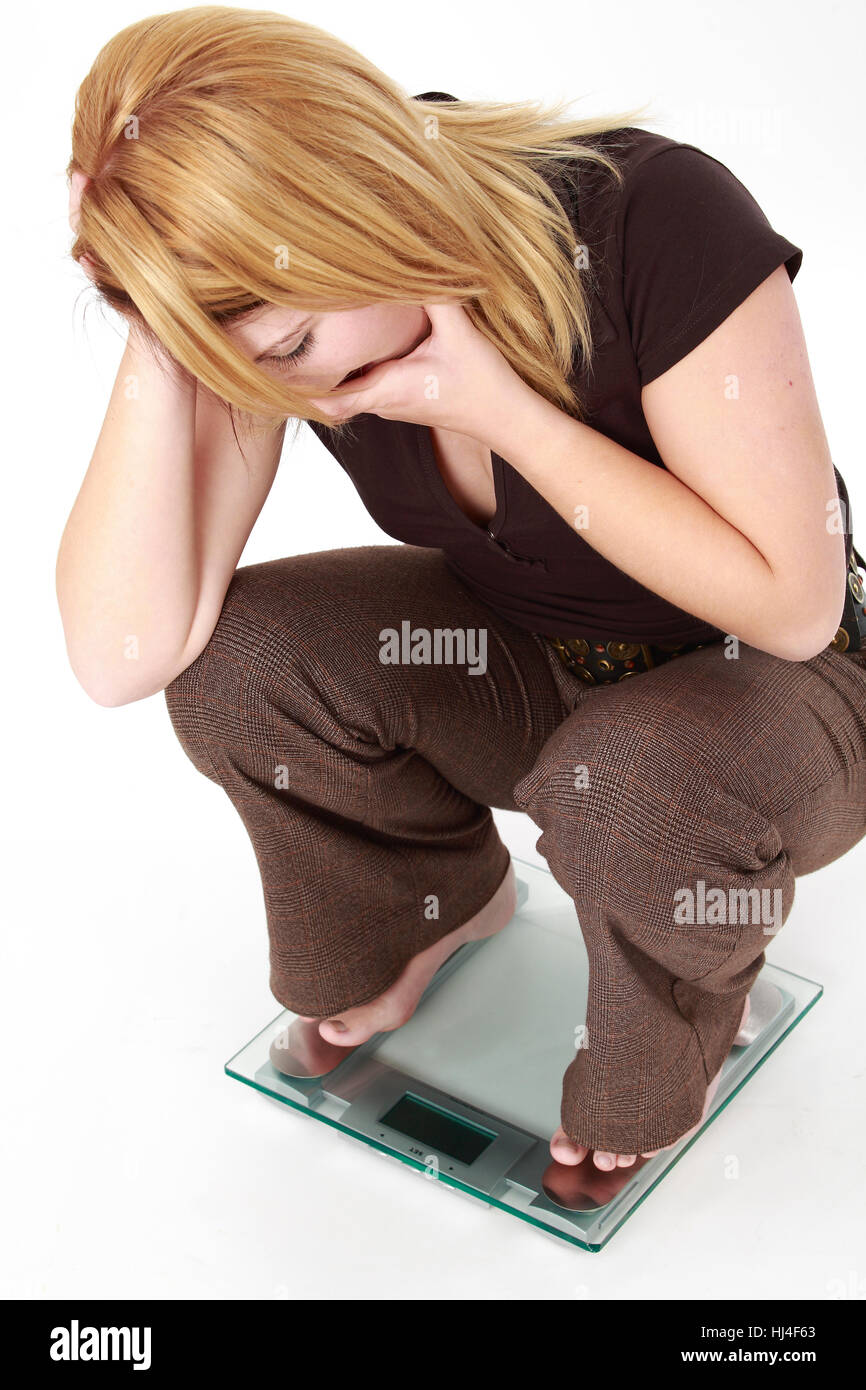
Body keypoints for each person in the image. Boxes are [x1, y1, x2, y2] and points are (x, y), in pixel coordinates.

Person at [57, 6, 866, 1174]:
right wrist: (153, 314)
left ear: (364, 212)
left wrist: (496, 410)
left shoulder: (654, 214)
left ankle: (673, 1014)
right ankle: (433, 909)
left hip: (785, 697)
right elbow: (121, 650)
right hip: (537, 670)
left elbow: (789, 605)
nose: (264, 386)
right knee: (235, 666)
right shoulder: (271, 298)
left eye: (279, 350)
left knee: (630, 786)